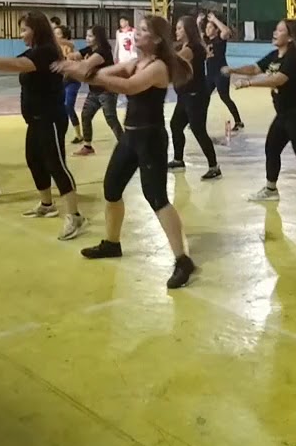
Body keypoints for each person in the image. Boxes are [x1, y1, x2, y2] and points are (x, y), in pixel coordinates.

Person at [55, 15, 196, 288]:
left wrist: (85, 73)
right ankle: (112, 243)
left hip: (151, 138)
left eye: (142, 30)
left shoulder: (158, 68)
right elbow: (107, 73)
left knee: (156, 197)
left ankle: (182, 260)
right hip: (130, 136)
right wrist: (78, 68)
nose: (136, 34)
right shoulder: (135, 62)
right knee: (111, 188)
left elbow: (129, 86)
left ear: (155, 39)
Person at [0, 12, 85, 238]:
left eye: (24, 30)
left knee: (56, 164)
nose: (21, 35)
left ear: (36, 30)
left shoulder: (45, 52)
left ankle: (75, 216)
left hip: (50, 118)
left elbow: (13, 64)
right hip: (36, 120)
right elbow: (13, 63)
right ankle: (47, 204)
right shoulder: (34, 51)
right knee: (34, 160)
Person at [224, 19, 296, 219]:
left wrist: (249, 83)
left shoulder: (295, 57)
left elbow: (279, 79)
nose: (274, 32)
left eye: (279, 30)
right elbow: (255, 68)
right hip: (283, 114)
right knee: (271, 148)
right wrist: (234, 70)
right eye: (276, 29)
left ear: (290, 36)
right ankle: (271, 189)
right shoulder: (275, 55)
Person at [169, 15, 221, 180]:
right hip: (185, 95)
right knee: (176, 125)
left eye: (179, 28)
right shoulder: (183, 45)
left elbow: (176, 60)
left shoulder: (193, 47)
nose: (176, 31)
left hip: (196, 96)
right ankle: (178, 160)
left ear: (188, 30)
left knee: (198, 130)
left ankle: (214, 167)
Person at [73, 25, 123, 156]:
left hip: (107, 90)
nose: (87, 38)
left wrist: (68, 66)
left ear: (98, 37)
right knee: (85, 115)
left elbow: (85, 66)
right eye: (87, 35)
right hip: (94, 91)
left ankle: (124, 144)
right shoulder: (90, 49)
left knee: (110, 118)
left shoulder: (103, 51)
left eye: (90, 36)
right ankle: (88, 146)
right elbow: (75, 56)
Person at [200, 12, 243, 131]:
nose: (208, 30)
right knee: (203, 98)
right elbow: (199, 36)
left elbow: (226, 31)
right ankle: (198, 121)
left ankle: (238, 121)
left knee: (224, 97)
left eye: (210, 27)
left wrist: (214, 19)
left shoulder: (220, 38)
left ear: (216, 29)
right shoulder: (206, 40)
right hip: (210, 74)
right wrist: (199, 23)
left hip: (221, 73)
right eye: (207, 28)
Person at [55, 25, 83, 145]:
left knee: (68, 106)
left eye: (58, 34)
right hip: (61, 81)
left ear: (64, 35)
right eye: (54, 33)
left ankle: (78, 134)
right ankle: (60, 132)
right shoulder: (54, 48)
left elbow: (71, 63)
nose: (56, 36)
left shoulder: (69, 46)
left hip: (72, 81)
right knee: (59, 108)